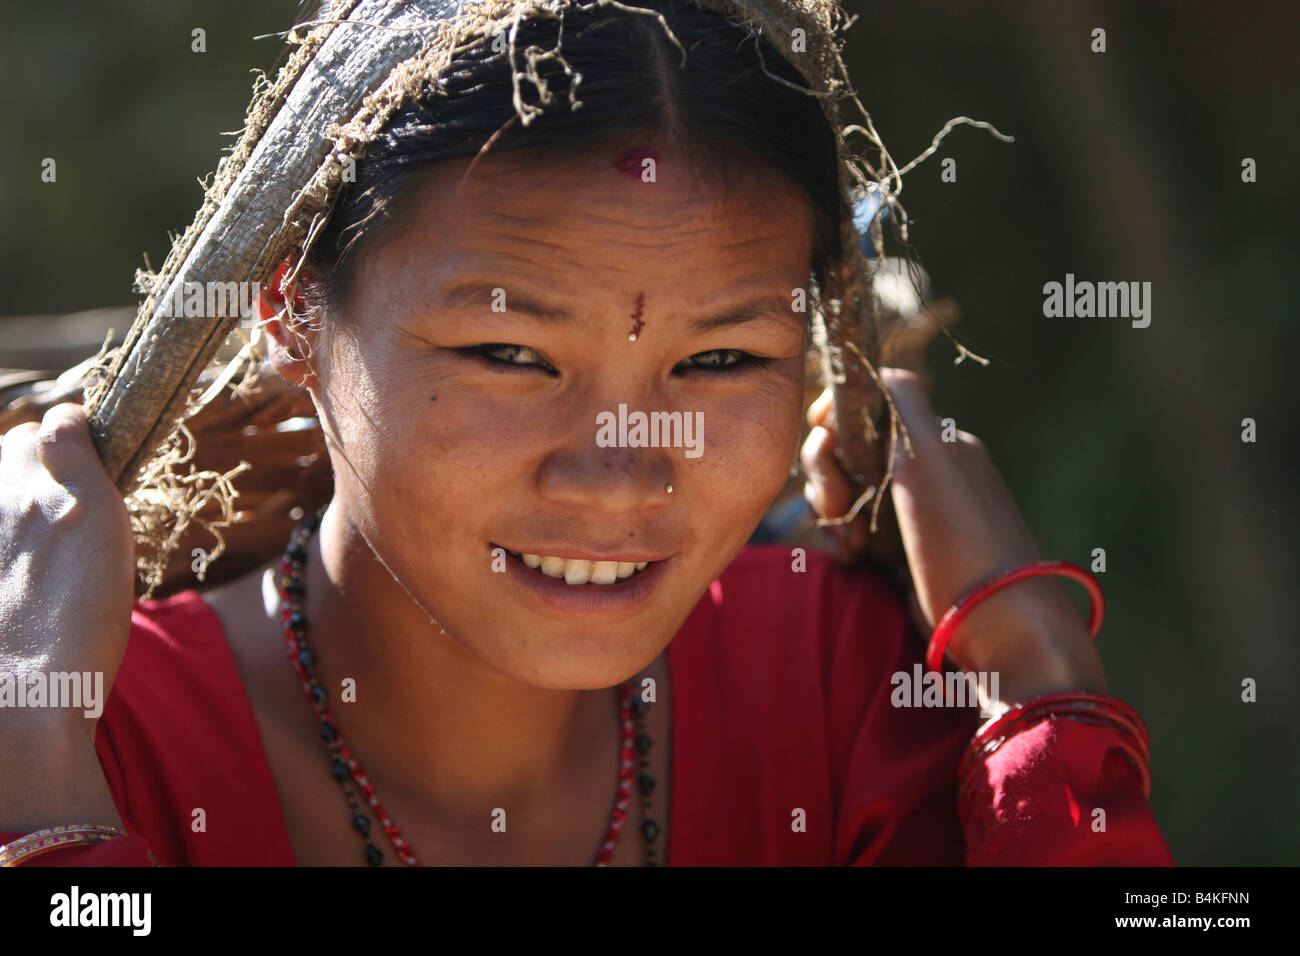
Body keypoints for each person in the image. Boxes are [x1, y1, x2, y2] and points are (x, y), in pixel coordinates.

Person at [0, 0, 1172, 866]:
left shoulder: (836, 695)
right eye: (509, 353)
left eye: (720, 359)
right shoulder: (91, 722)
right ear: (289, 316)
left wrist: (1032, 669)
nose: (619, 472)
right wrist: (42, 780)